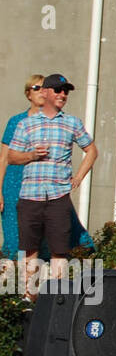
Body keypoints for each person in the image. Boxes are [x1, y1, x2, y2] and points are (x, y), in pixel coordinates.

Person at [6, 73, 98, 299]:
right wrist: (30, 155)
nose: (63, 95)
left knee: (59, 250)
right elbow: (11, 156)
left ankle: (54, 299)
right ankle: (29, 297)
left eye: (66, 91)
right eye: (58, 90)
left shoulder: (72, 123)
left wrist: (78, 177)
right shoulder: (26, 124)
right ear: (45, 92)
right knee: (29, 249)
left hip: (58, 196)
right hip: (30, 195)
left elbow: (91, 150)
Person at [1, 74, 46, 259]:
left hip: (40, 187)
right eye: (37, 88)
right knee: (13, 238)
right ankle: (11, 284)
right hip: (14, 185)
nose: (42, 92)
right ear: (28, 94)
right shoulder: (16, 121)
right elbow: (3, 158)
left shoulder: (54, 121)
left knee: (40, 239)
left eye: (45, 88)